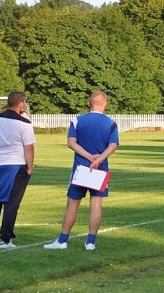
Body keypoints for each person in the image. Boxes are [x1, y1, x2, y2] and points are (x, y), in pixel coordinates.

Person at [45, 91, 119, 251]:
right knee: (96, 204)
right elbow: (113, 146)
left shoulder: (77, 120)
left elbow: (71, 143)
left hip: (80, 168)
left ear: (89, 103)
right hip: (100, 169)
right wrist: (98, 160)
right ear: (105, 104)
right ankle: (90, 242)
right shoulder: (111, 123)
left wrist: (88, 157)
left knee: (72, 204)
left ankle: (62, 240)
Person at [0, 91, 35, 248]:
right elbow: (29, 148)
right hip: (16, 166)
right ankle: (5, 239)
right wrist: (29, 167)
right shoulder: (24, 124)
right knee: (11, 204)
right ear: (21, 104)